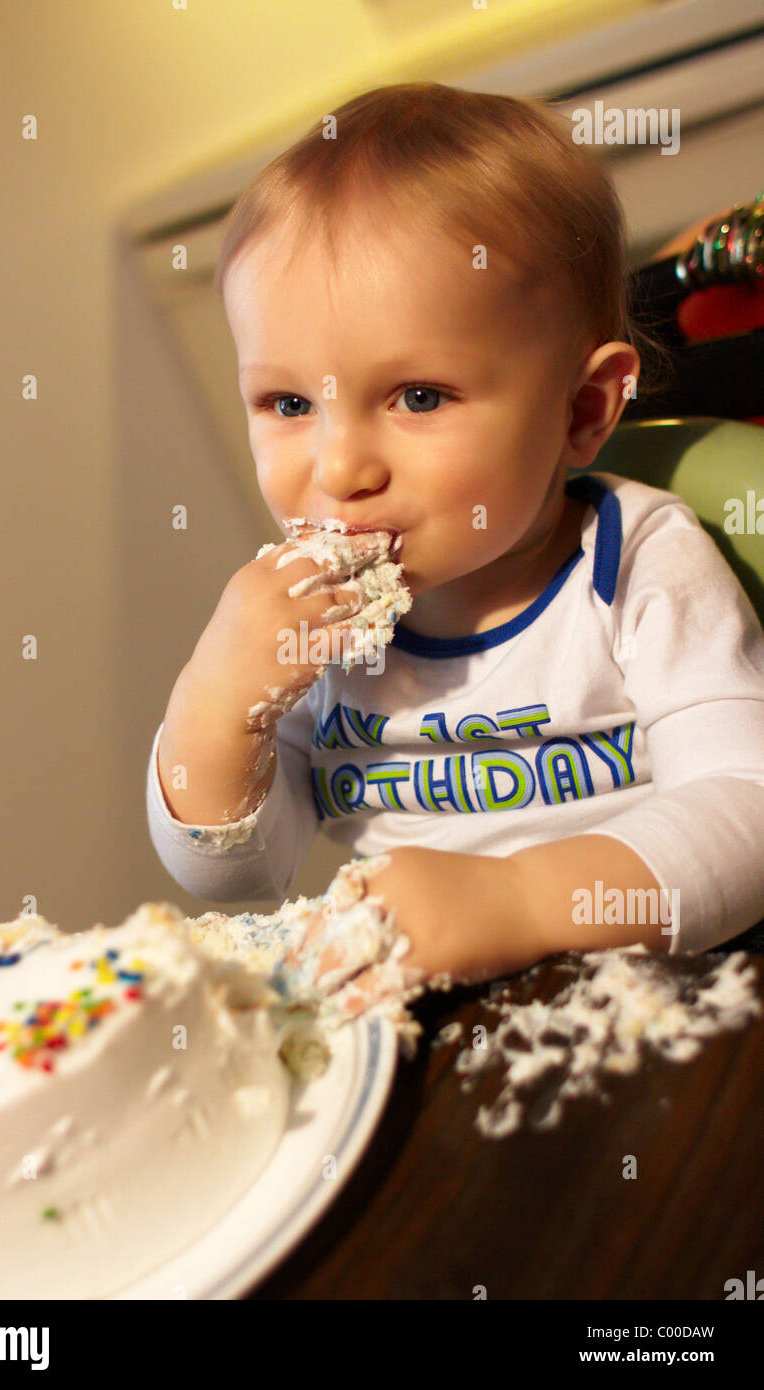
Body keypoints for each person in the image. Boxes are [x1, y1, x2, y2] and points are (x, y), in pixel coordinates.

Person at [146, 84, 764, 1012]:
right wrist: (217, 698)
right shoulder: (314, 622)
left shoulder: (635, 564)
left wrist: (517, 900)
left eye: (420, 397)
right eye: (289, 404)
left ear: (584, 408)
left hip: (664, 1003)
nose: (340, 465)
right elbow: (237, 870)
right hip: (420, 1015)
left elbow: (746, 804)